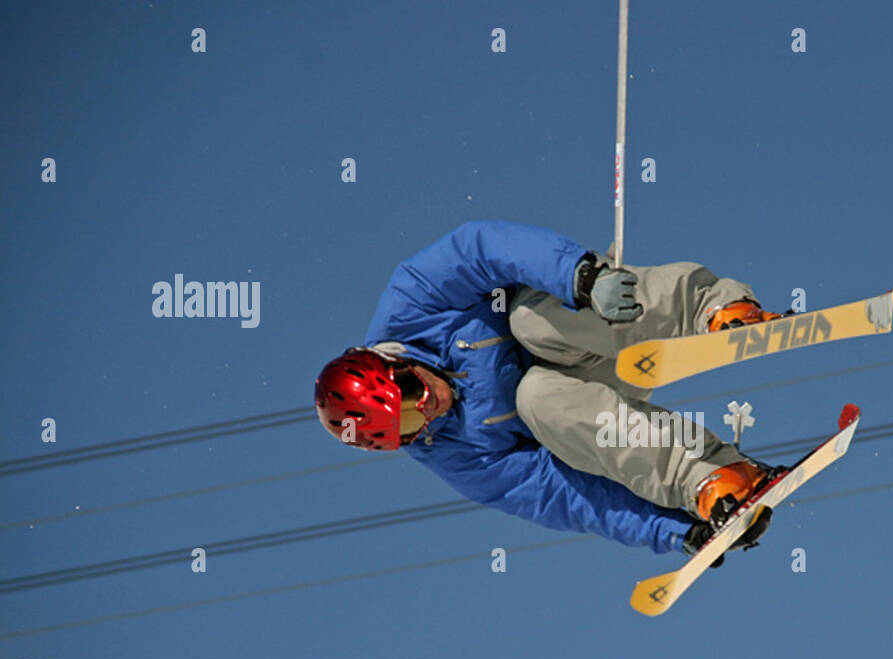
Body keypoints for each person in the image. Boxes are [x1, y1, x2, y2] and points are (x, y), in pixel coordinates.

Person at [314, 221, 791, 562]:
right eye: (412, 428)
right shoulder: (455, 453)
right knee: (537, 396)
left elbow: (482, 249)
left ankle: (718, 310)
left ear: (395, 363)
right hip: (590, 395)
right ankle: (715, 477)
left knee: (527, 323)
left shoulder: (413, 301)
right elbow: (563, 496)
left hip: (590, 319)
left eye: (414, 393)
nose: (429, 408)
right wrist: (677, 530)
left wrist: (581, 277)